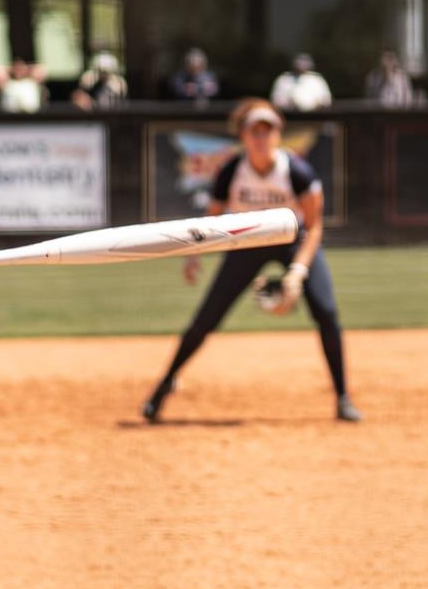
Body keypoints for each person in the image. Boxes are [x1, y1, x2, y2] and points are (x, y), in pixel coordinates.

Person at [141, 99, 358, 424]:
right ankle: (163, 386)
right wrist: (192, 256)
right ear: (243, 136)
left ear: (277, 135)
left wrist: (297, 272)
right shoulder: (231, 172)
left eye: (267, 131)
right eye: (254, 131)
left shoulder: (297, 172)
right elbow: (210, 220)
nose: (261, 138)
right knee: (206, 318)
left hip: (290, 241)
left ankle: (342, 397)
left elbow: (314, 227)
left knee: (326, 312)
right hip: (246, 244)